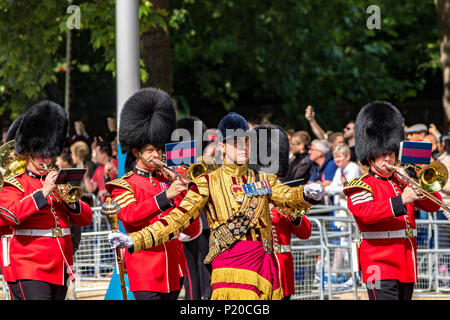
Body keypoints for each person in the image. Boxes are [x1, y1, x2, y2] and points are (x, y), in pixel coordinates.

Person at [108, 111, 325, 300]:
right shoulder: (207, 181)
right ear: (222, 147)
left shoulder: (263, 178)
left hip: (266, 266)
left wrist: (304, 193)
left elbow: (285, 194)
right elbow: (177, 219)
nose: (244, 147)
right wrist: (134, 239)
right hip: (232, 270)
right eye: (236, 142)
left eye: (247, 141)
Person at [105, 88, 201, 300]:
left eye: (158, 149)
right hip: (146, 269)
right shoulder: (123, 185)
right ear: (136, 152)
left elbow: (189, 225)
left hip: (174, 268)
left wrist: (186, 193)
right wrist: (165, 197)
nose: (156, 154)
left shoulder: (167, 181)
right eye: (150, 150)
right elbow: (131, 215)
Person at [343, 101, 442, 300]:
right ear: (370, 157)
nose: (387, 159)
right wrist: (401, 201)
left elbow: (434, 205)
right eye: (381, 155)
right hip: (378, 263)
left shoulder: (402, 181)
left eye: (389, 153)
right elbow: (365, 214)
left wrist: (422, 180)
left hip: (406, 262)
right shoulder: (361, 184)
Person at [0, 101, 93, 300]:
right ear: (27, 154)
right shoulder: (15, 183)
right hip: (29, 265)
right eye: (40, 155)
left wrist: (71, 201)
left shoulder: (59, 181)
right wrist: (42, 194)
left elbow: (86, 219)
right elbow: (11, 214)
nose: (45, 160)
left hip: (59, 264)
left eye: (49, 155)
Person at [249, 123, 312, 299]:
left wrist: (292, 213)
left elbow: (305, 232)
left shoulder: (286, 196)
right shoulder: (248, 195)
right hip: (258, 265)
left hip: (283, 265)